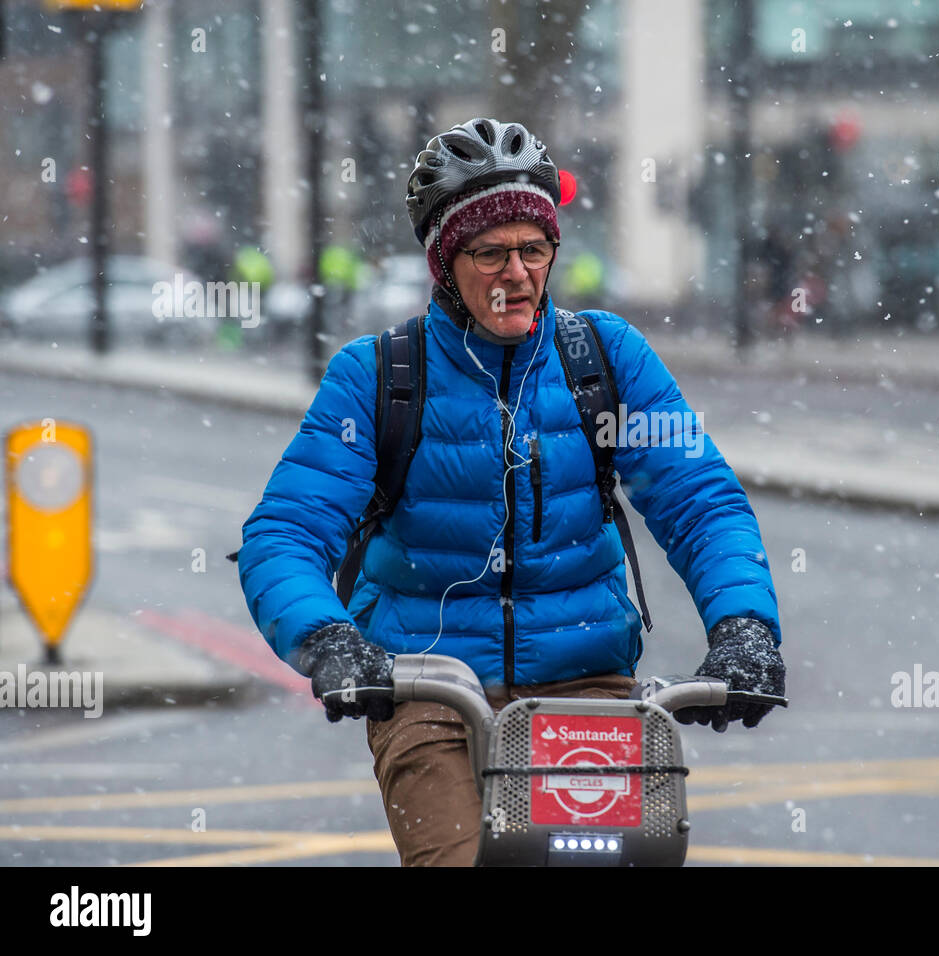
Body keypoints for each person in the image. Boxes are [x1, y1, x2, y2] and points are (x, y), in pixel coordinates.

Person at [236, 117, 785, 866]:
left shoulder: (606, 359)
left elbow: (699, 501)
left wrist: (744, 625)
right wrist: (329, 641)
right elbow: (286, 533)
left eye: (534, 249)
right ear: (443, 265)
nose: (518, 274)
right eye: (490, 253)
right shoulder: (379, 376)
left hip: (584, 687)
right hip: (428, 687)